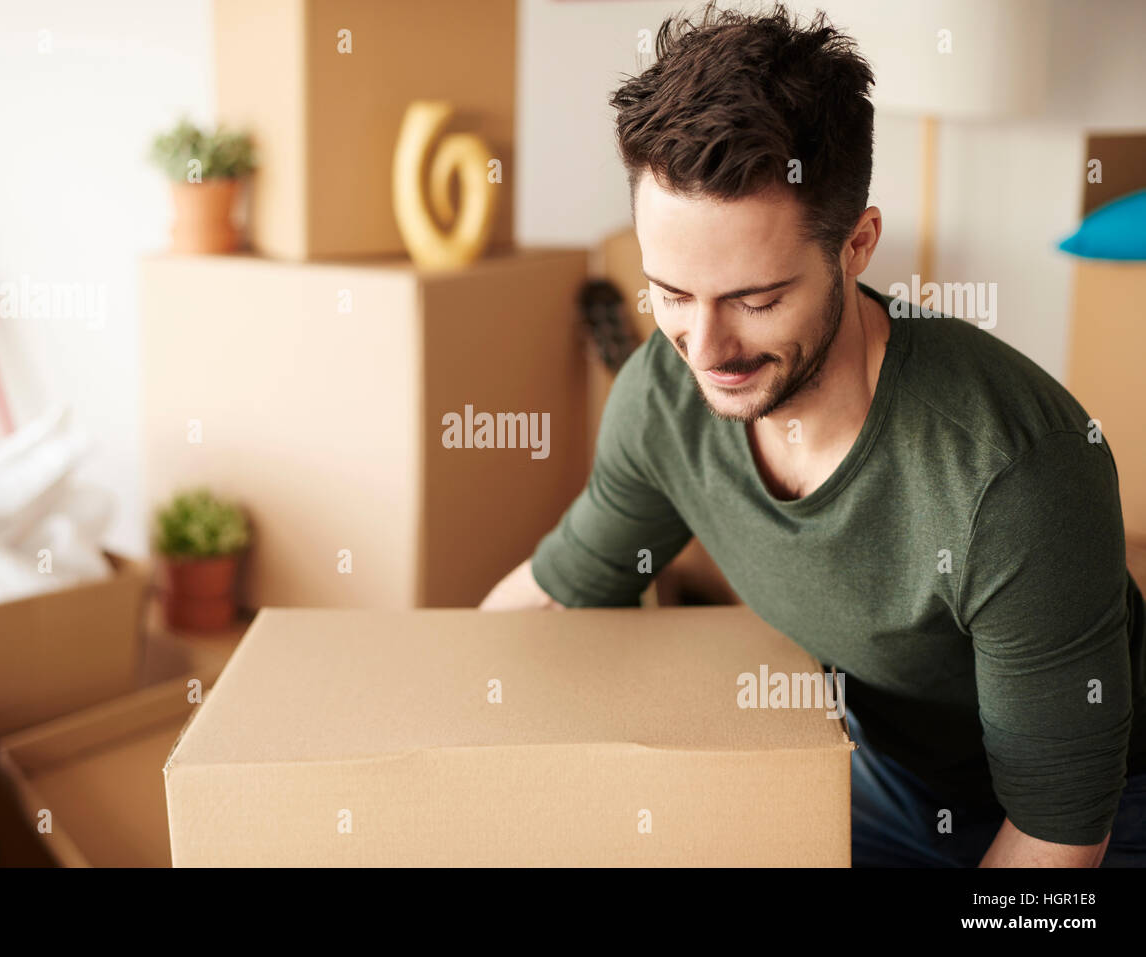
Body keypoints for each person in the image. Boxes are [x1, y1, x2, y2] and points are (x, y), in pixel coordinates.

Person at [480, 2, 1146, 867]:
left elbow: (1058, 837)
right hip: (882, 774)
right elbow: (559, 595)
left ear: (858, 245)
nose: (706, 350)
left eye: (757, 301)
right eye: (671, 294)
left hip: (1099, 815)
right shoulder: (662, 397)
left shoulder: (1015, 475)